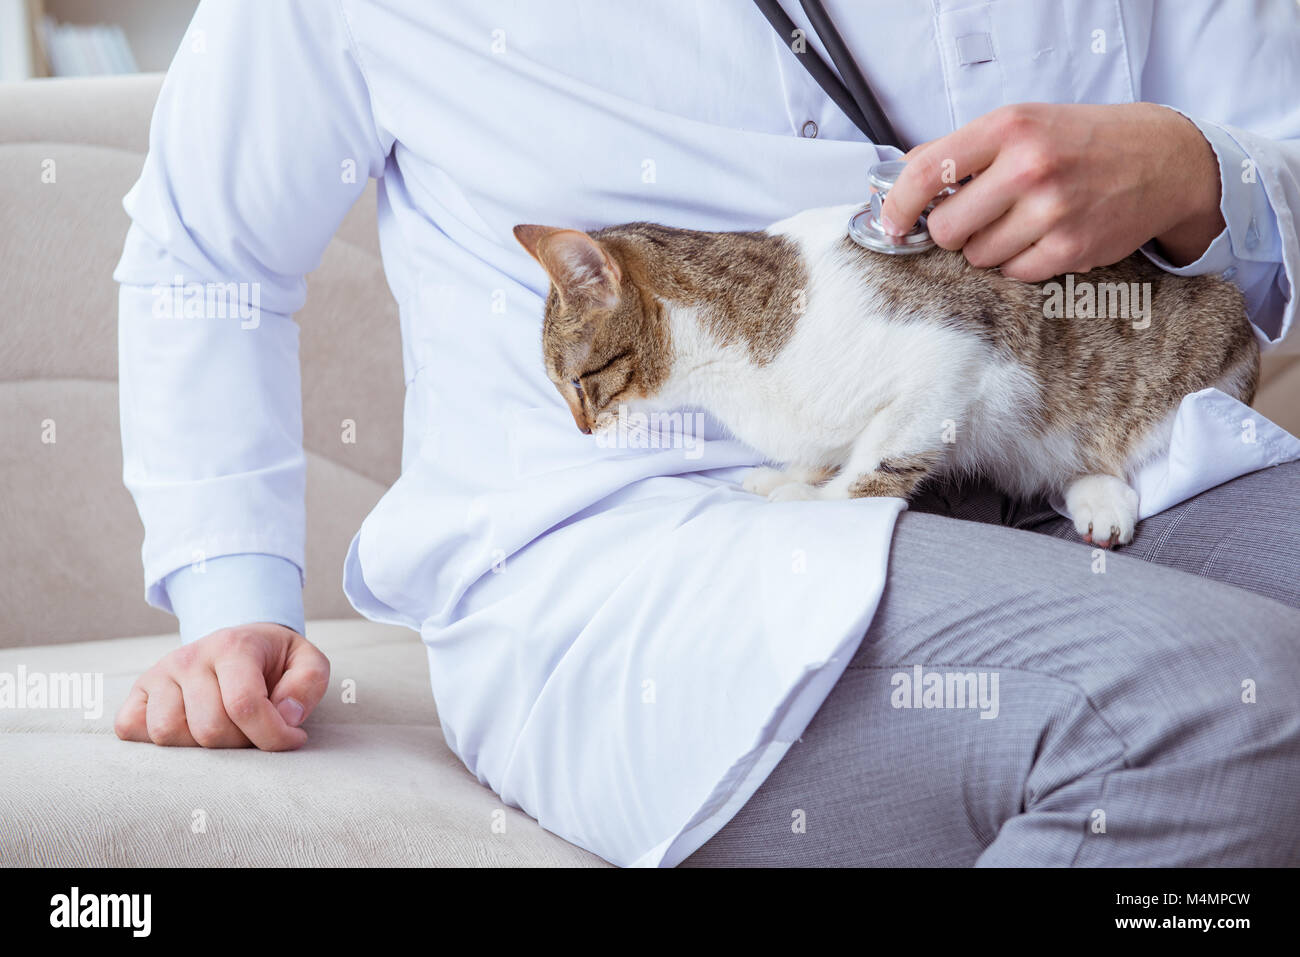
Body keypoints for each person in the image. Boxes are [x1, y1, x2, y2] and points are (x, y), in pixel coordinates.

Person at [112, 0, 1300, 866]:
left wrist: (1204, 173)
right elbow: (205, 255)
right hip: (664, 544)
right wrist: (234, 605)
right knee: (1213, 707)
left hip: (1091, 438)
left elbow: (1273, 146)